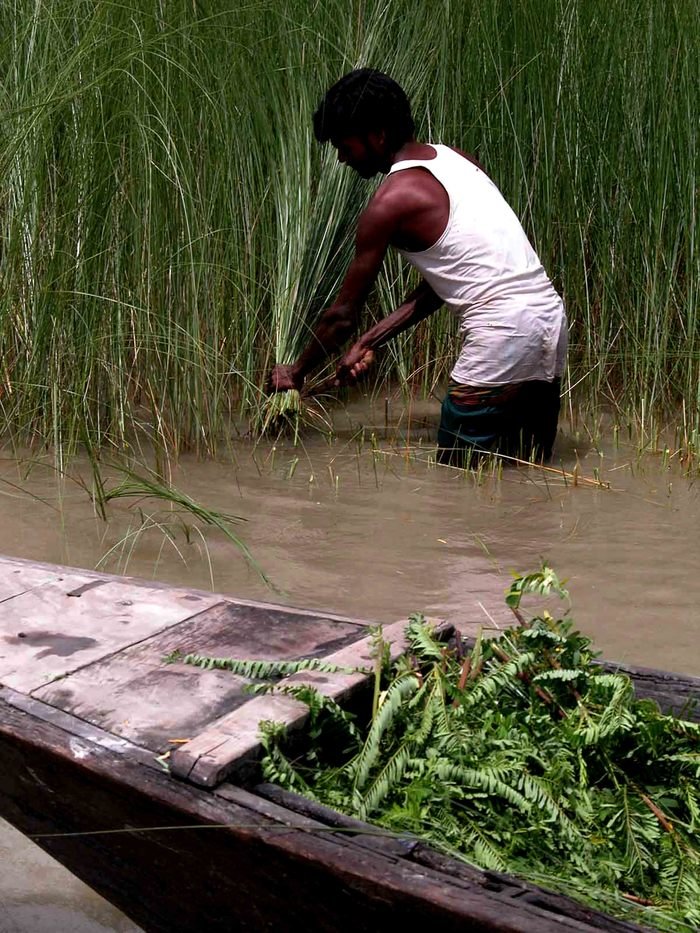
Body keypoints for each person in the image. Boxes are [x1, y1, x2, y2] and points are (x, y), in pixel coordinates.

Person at [268, 69, 567, 466]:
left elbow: (341, 317)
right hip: (550, 322)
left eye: (345, 145)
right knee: (527, 471)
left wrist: (296, 371)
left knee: (457, 478)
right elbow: (448, 285)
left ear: (378, 135)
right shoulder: (458, 160)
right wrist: (370, 341)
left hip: (501, 334)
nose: (341, 157)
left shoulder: (390, 201)